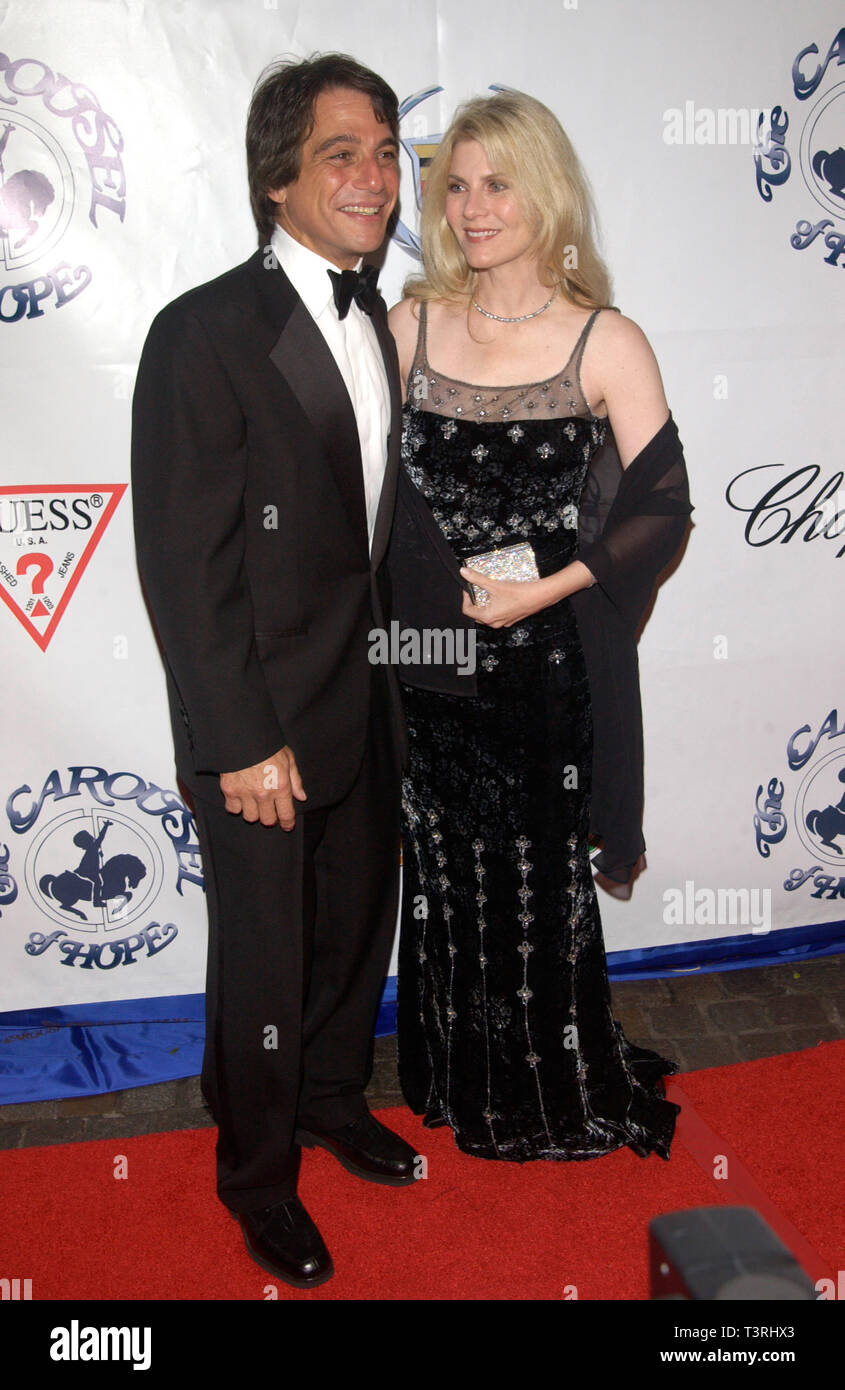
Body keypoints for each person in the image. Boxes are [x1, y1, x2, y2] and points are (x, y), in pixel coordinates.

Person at [131, 53, 418, 1290]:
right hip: (261, 724)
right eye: (342, 153)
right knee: (263, 953)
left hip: (367, 701)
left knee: (354, 931)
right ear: (275, 178)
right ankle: (256, 1176)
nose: (375, 175)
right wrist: (238, 738)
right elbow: (184, 565)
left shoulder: (378, 318)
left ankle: (329, 1099)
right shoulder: (203, 331)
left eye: (386, 149)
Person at [387, 90, 693, 1163]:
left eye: (497, 183)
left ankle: (543, 1083)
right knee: (442, 872)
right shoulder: (408, 323)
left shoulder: (603, 341)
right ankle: (455, 1073)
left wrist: (540, 590)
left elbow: (662, 509)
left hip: (540, 663)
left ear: (546, 191)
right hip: (422, 665)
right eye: (456, 184)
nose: (472, 208)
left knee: (530, 879)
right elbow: (366, 498)